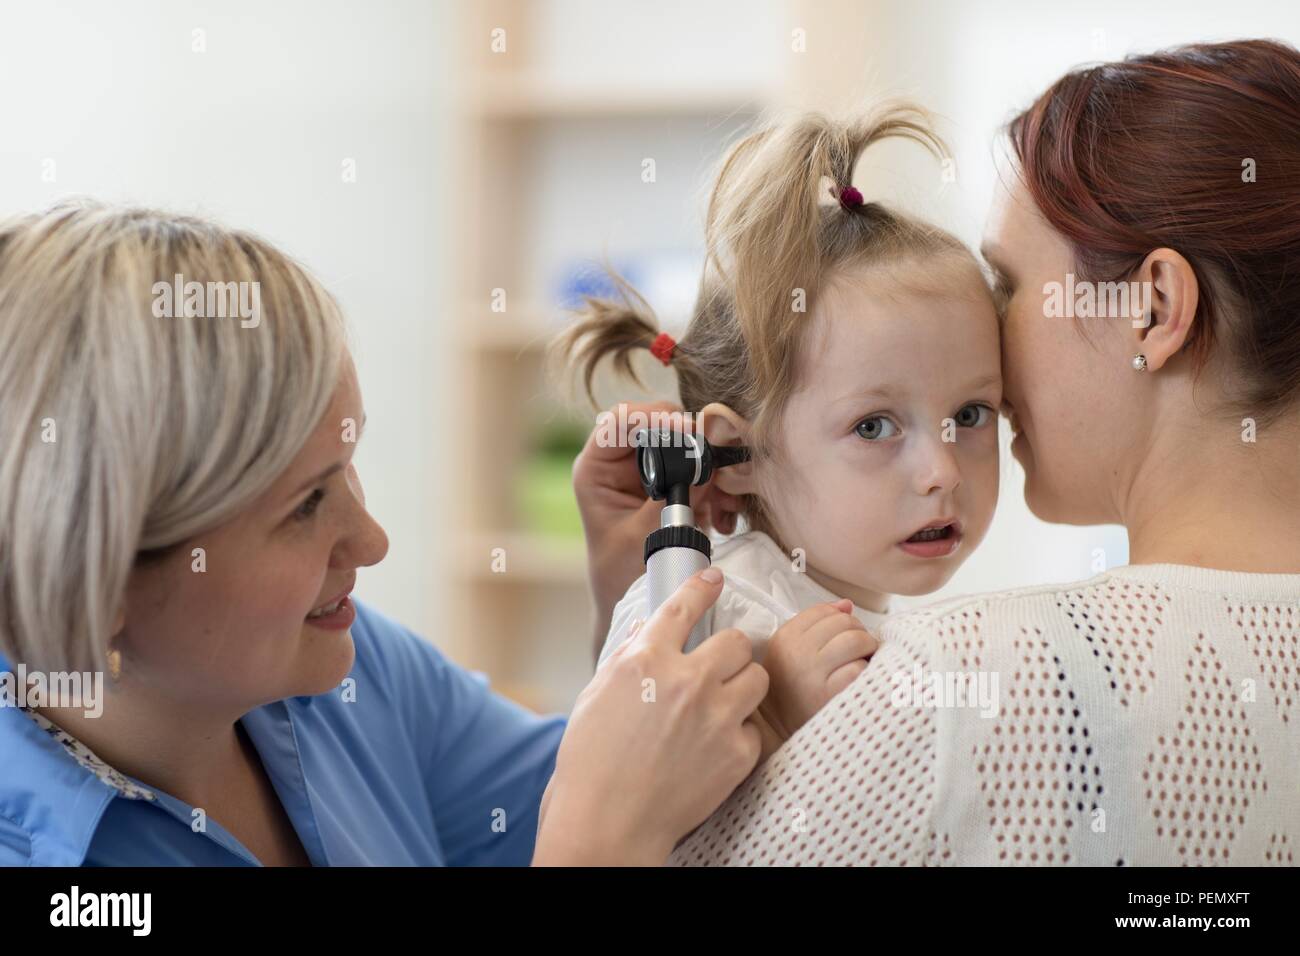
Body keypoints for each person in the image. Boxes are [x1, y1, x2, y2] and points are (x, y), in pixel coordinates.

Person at [588, 39, 1300, 866]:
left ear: (1153, 309)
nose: (943, 464)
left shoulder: (948, 693)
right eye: (875, 425)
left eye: (1010, 285)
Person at [0, 201, 766, 867]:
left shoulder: (348, 676)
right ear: (92, 582)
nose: (371, 541)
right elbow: (597, 827)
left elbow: (610, 795)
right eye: (303, 507)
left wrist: (631, 613)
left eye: (347, 465)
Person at [554, 103, 1002, 757]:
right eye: (874, 426)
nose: (944, 471)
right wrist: (776, 718)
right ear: (738, 455)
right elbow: (617, 814)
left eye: (968, 416)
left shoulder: (867, 598)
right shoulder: (705, 609)